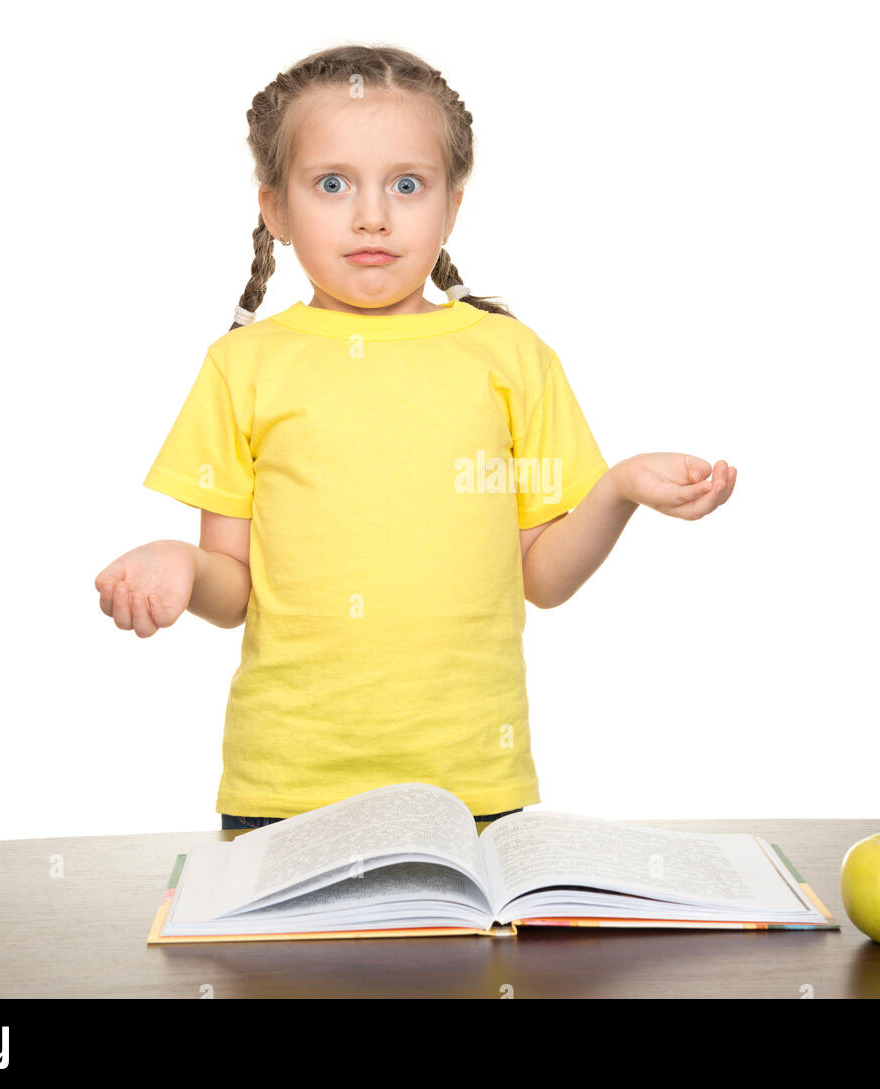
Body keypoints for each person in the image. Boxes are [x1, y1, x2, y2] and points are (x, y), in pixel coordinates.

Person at [93, 44, 738, 837]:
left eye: (408, 185)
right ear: (276, 210)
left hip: (470, 785)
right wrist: (181, 567)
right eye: (332, 184)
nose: (373, 215)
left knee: (468, 969)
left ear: (453, 205)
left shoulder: (511, 359)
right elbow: (234, 591)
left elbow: (544, 578)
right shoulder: (242, 367)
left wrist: (618, 490)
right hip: (286, 786)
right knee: (281, 971)